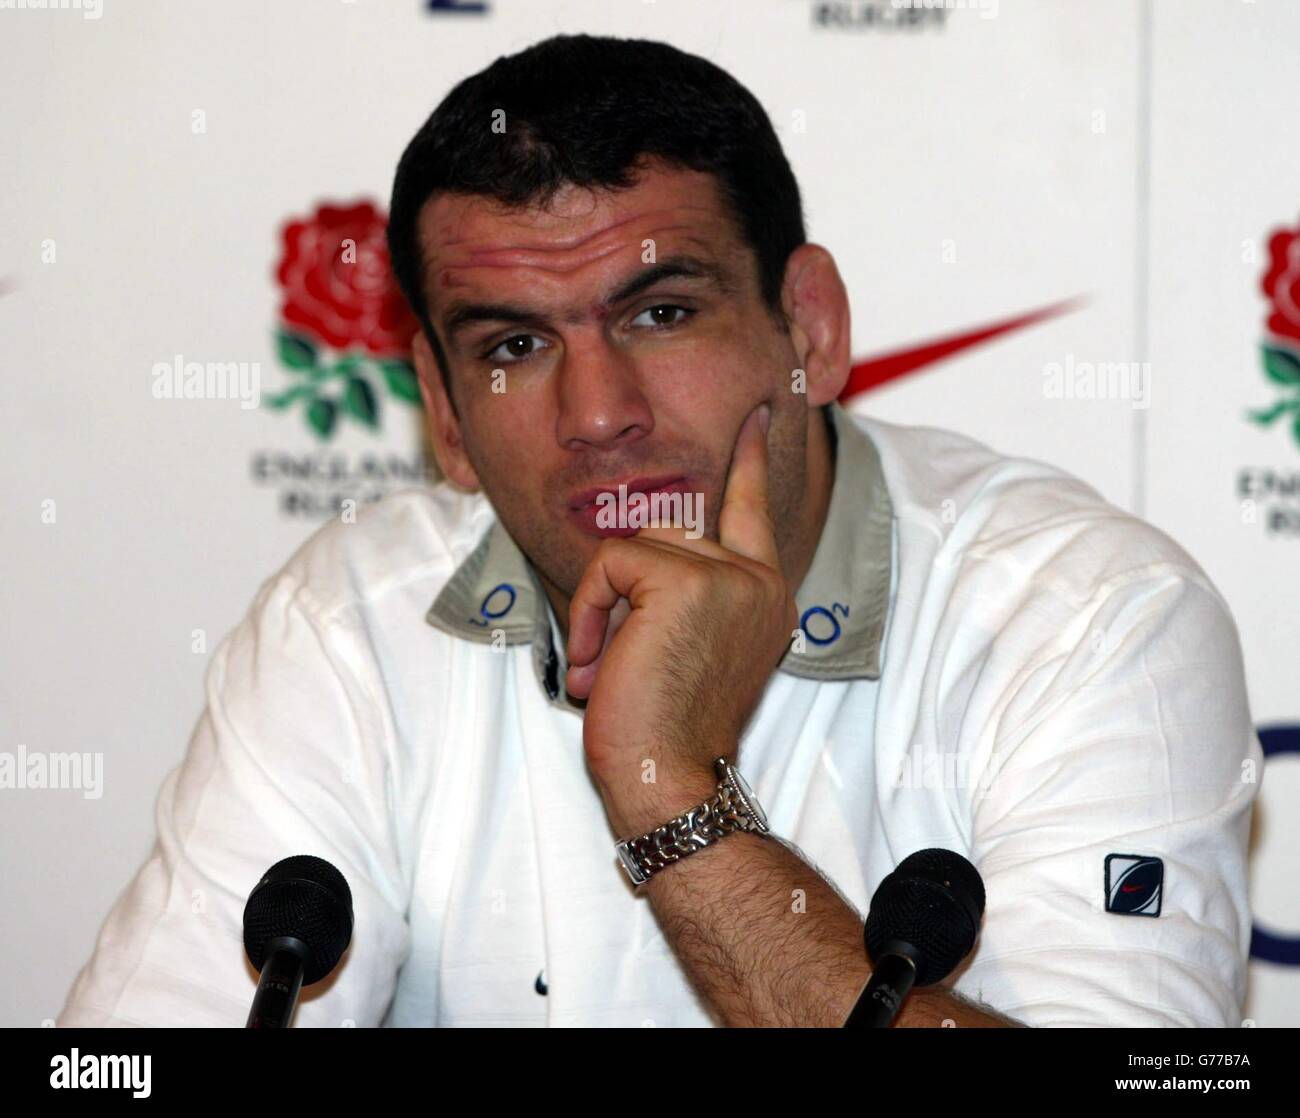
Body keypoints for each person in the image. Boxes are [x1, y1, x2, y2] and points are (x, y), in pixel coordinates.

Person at [58, 33, 1260, 1028]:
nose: (598, 417)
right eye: (514, 346)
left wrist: (669, 788)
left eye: (661, 312)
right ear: (441, 409)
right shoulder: (352, 619)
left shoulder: (1086, 615)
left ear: (810, 329)